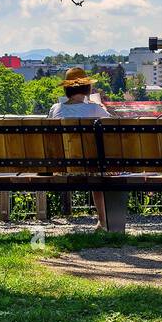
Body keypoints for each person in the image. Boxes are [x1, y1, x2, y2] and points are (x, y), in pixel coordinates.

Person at [46, 67, 112, 227]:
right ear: (87, 88)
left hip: (62, 167)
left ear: (67, 89)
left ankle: (102, 221)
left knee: (96, 170)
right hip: (91, 167)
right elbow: (113, 128)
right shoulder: (95, 109)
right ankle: (102, 221)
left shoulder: (55, 109)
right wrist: (101, 108)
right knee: (99, 172)